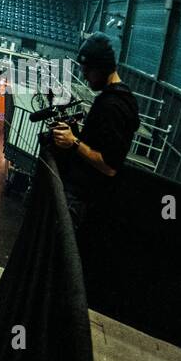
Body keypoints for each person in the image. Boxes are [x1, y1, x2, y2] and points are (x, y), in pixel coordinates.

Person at [49, 32, 140, 230]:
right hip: (83, 196)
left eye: (87, 69)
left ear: (101, 68)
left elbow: (109, 165)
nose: (83, 74)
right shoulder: (120, 99)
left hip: (81, 199)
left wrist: (73, 142)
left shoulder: (112, 105)